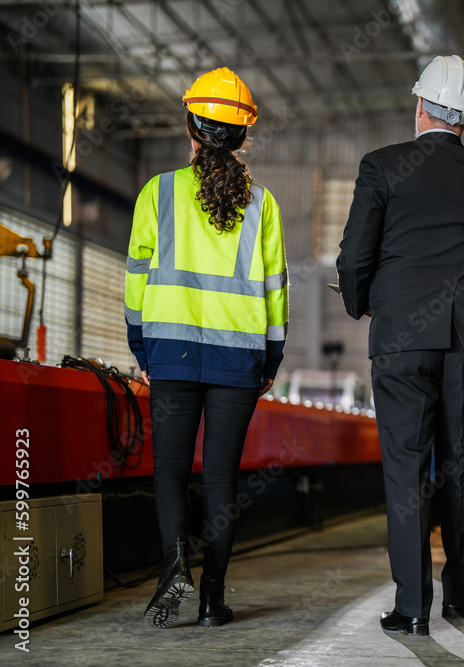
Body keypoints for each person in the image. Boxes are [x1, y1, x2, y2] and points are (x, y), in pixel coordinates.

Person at [337, 55, 464, 637]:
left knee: (406, 469)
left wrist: (363, 302)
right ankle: (461, 591)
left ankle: (413, 605)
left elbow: (354, 257)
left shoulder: (382, 167)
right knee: (461, 462)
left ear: (419, 106)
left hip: (403, 337)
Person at [125, 67, 288, 628]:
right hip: (238, 356)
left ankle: (175, 565)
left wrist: (141, 346)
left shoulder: (159, 191)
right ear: (242, 136)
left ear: (190, 125)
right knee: (221, 479)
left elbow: (137, 277)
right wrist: (271, 358)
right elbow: (275, 290)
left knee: (170, 470)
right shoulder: (262, 204)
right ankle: (213, 601)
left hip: (170, 350)